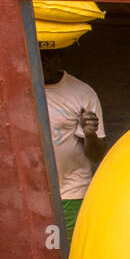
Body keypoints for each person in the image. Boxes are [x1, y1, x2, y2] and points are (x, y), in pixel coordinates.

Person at [41, 47, 107, 243]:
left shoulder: (82, 94)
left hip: (71, 193)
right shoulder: (19, 90)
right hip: (33, 194)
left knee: (69, 257)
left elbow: (96, 155)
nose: (44, 61)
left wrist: (90, 135)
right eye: (39, 54)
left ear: (61, 54)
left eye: (49, 55)